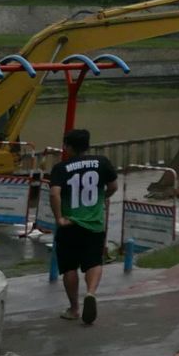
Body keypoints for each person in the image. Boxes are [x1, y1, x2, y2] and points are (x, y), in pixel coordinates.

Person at [49, 128, 116, 324]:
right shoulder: (102, 163)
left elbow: (54, 194)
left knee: (69, 266)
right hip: (94, 224)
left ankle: (74, 308)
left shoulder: (61, 168)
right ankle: (91, 293)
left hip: (69, 224)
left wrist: (60, 218)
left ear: (68, 146)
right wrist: (101, 200)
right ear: (87, 145)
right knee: (94, 262)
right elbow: (113, 187)